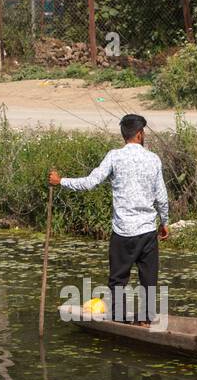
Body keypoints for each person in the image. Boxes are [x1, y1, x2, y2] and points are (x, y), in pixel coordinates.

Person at [48, 113, 169, 325]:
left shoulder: (114, 156)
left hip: (123, 231)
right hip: (147, 230)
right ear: (140, 134)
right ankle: (146, 319)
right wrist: (165, 222)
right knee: (148, 279)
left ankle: (120, 319)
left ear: (126, 135)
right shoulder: (153, 159)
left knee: (118, 280)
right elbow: (161, 197)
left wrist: (61, 181)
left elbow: (89, 183)